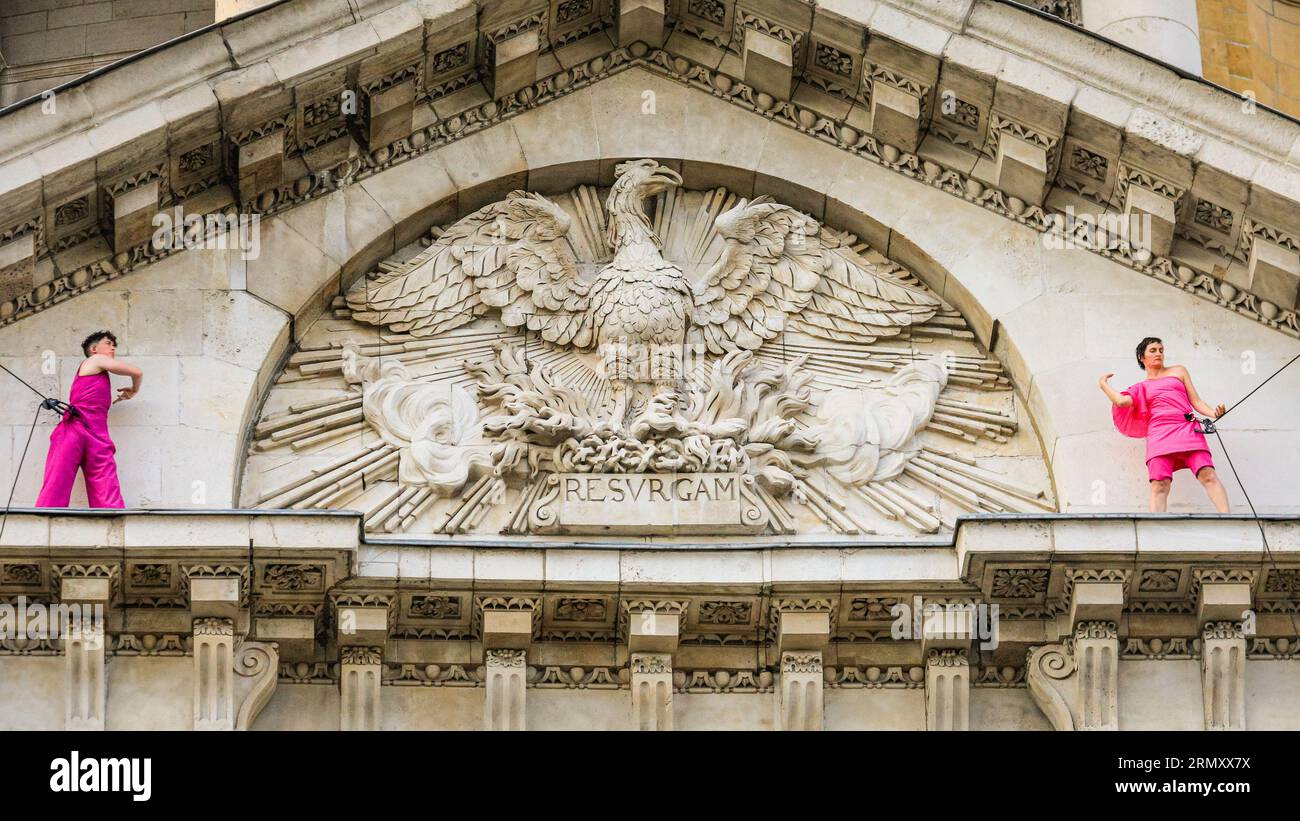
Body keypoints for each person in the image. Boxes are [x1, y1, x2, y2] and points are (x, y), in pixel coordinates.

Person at [1100, 336, 1229, 513]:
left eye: (1161, 350)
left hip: (1187, 429)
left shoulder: (1179, 371)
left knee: (1208, 474)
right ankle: (1155, 530)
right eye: (1153, 351)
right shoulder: (1140, 387)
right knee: (1160, 484)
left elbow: (1196, 401)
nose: (1158, 354)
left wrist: (1213, 413)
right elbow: (1122, 402)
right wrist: (1103, 384)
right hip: (1159, 435)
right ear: (1141, 357)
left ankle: (1226, 516)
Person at [34, 331, 142, 509]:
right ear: (94, 349)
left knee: (60, 480)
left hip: (93, 431)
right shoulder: (96, 360)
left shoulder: (99, 369)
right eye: (108, 343)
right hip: (77, 428)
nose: (113, 347)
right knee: (101, 485)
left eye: (114, 344)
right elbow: (137, 372)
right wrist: (134, 390)